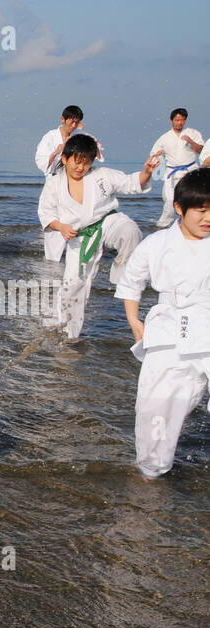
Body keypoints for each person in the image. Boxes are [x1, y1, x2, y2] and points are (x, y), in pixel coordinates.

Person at [116, 168, 210, 478]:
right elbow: (132, 282)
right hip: (170, 329)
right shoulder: (157, 244)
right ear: (180, 209)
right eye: (202, 209)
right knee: (156, 410)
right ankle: (150, 474)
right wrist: (134, 321)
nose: (208, 217)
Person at [38, 135, 157, 339]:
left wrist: (147, 171)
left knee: (130, 230)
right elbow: (46, 214)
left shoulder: (102, 176)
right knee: (73, 285)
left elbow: (131, 183)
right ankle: (69, 331)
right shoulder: (54, 184)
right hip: (80, 236)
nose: (80, 167)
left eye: (86, 162)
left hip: (108, 222)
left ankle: (124, 278)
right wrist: (62, 227)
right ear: (65, 159)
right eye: (77, 161)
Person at [35, 106, 104, 262]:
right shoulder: (50, 137)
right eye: (71, 122)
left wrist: (89, 143)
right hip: (55, 182)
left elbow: (98, 155)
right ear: (63, 119)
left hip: (77, 183)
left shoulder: (81, 137)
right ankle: (52, 262)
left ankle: (79, 256)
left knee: (80, 220)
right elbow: (42, 162)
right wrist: (57, 151)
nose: (73, 126)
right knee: (54, 220)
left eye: (76, 123)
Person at [148, 109, 204, 228]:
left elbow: (201, 150)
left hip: (191, 170)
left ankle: (190, 224)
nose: (180, 123)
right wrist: (157, 156)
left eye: (182, 120)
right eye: (177, 120)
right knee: (170, 200)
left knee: (193, 198)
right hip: (172, 171)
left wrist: (190, 141)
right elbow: (154, 155)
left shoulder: (193, 133)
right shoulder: (165, 137)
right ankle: (162, 226)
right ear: (171, 121)